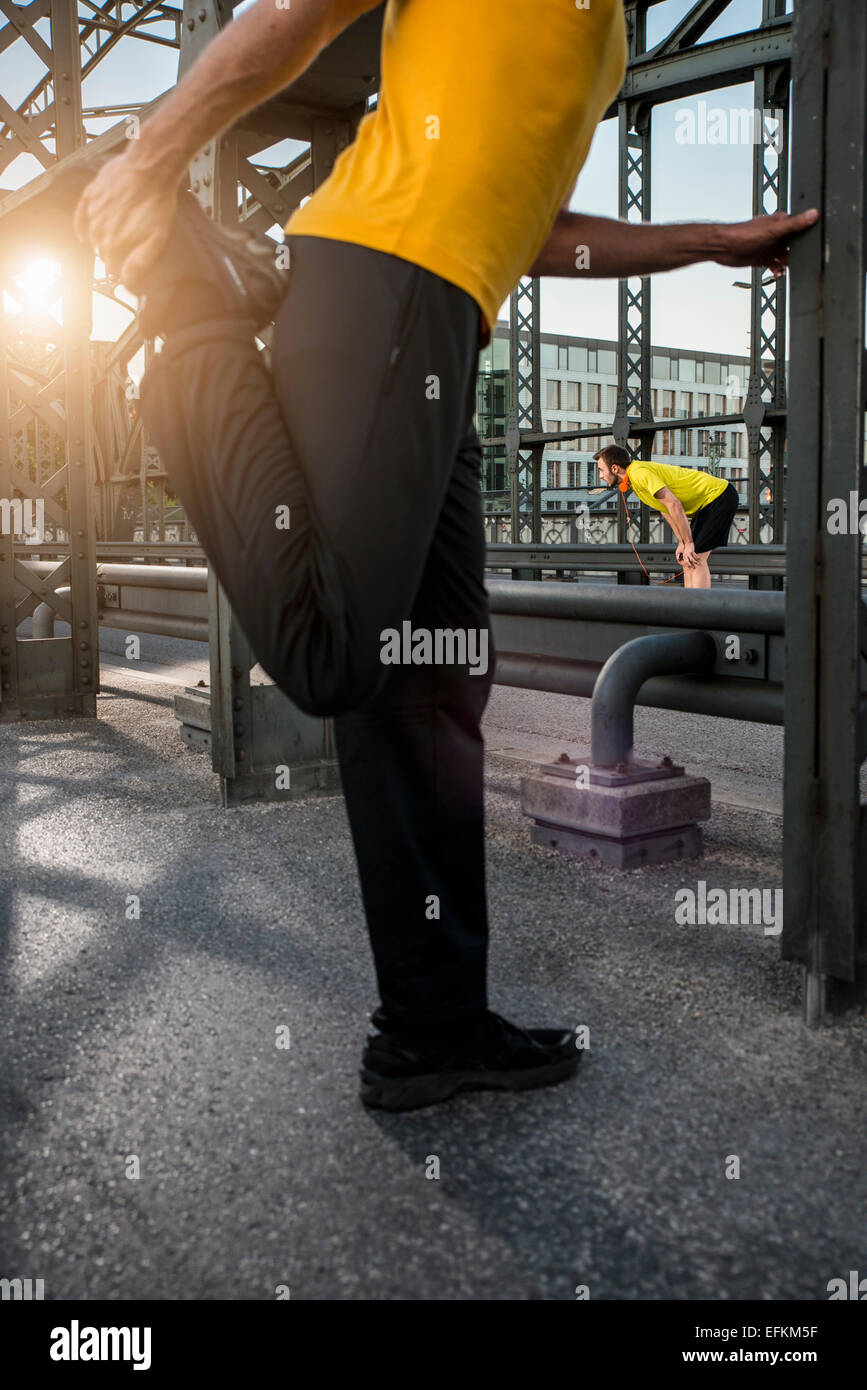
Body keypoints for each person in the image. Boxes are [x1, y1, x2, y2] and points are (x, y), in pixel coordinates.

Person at [73, 0, 817, 1110]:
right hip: (379, 280)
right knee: (334, 657)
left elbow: (528, 228)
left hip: (442, 322)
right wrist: (149, 163)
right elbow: (297, 16)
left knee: (432, 685)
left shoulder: (602, 35)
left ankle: (432, 1027)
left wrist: (707, 242)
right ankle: (194, 313)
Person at [594, 446, 739, 588]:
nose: (600, 475)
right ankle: (690, 606)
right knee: (686, 560)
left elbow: (674, 504)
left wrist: (689, 543)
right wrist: (682, 542)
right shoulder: (634, 481)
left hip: (719, 495)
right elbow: (665, 510)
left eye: (601, 470)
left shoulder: (639, 474)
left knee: (696, 558)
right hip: (707, 502)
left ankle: (701, 608)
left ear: (614, 468)